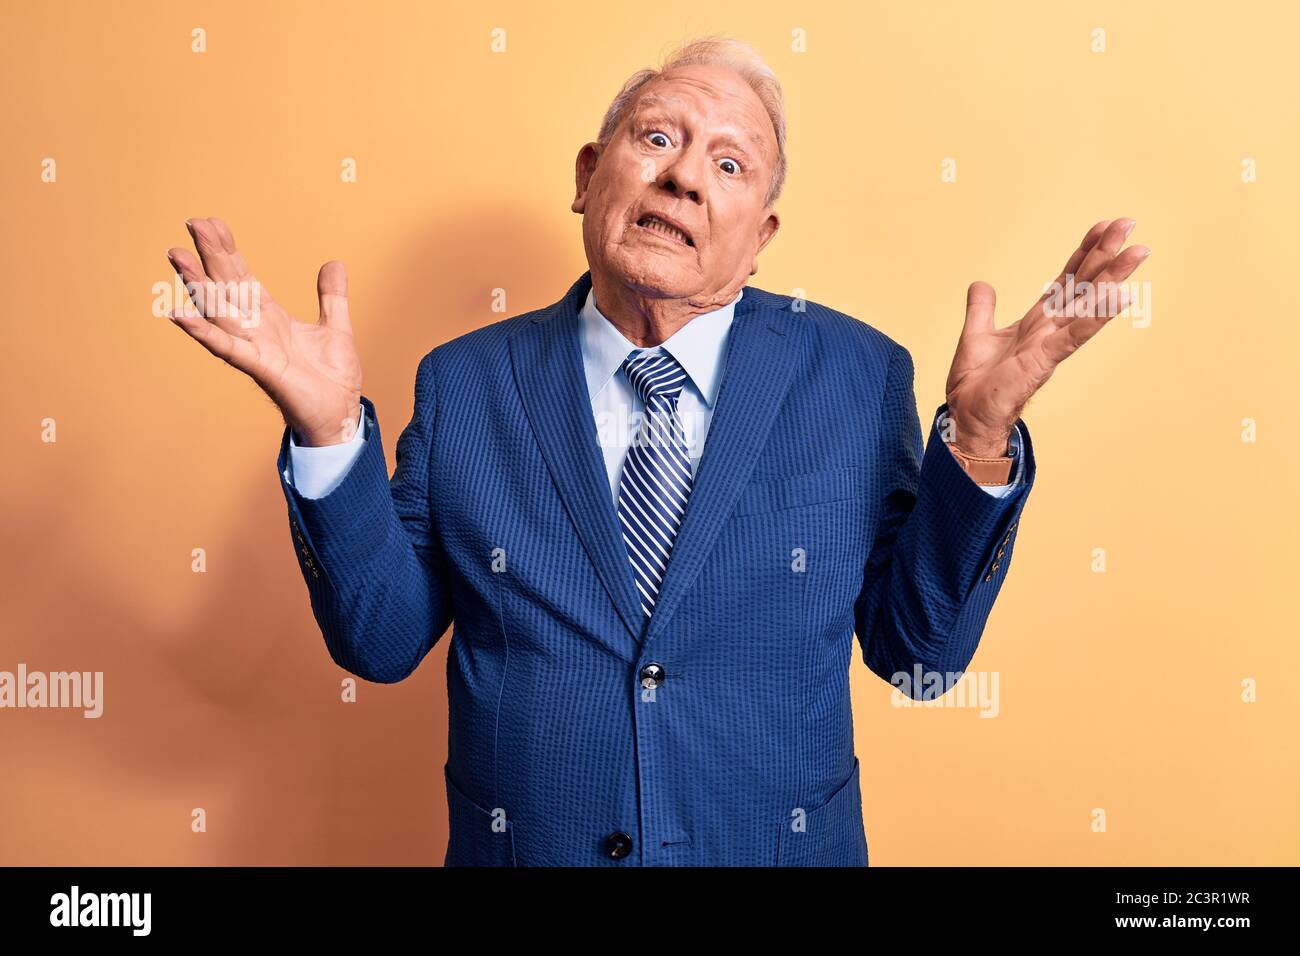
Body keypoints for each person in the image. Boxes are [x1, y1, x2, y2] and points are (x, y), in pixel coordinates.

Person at [163, 36, 1150, 866]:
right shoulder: (466, 382)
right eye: (659, 137)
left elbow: (923, 660)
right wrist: (327, 432)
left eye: (728, 164)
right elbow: (379, 640)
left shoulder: (857, 376)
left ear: (757, 235)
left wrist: (976, 438)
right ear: (591, 175)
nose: (684, 174)